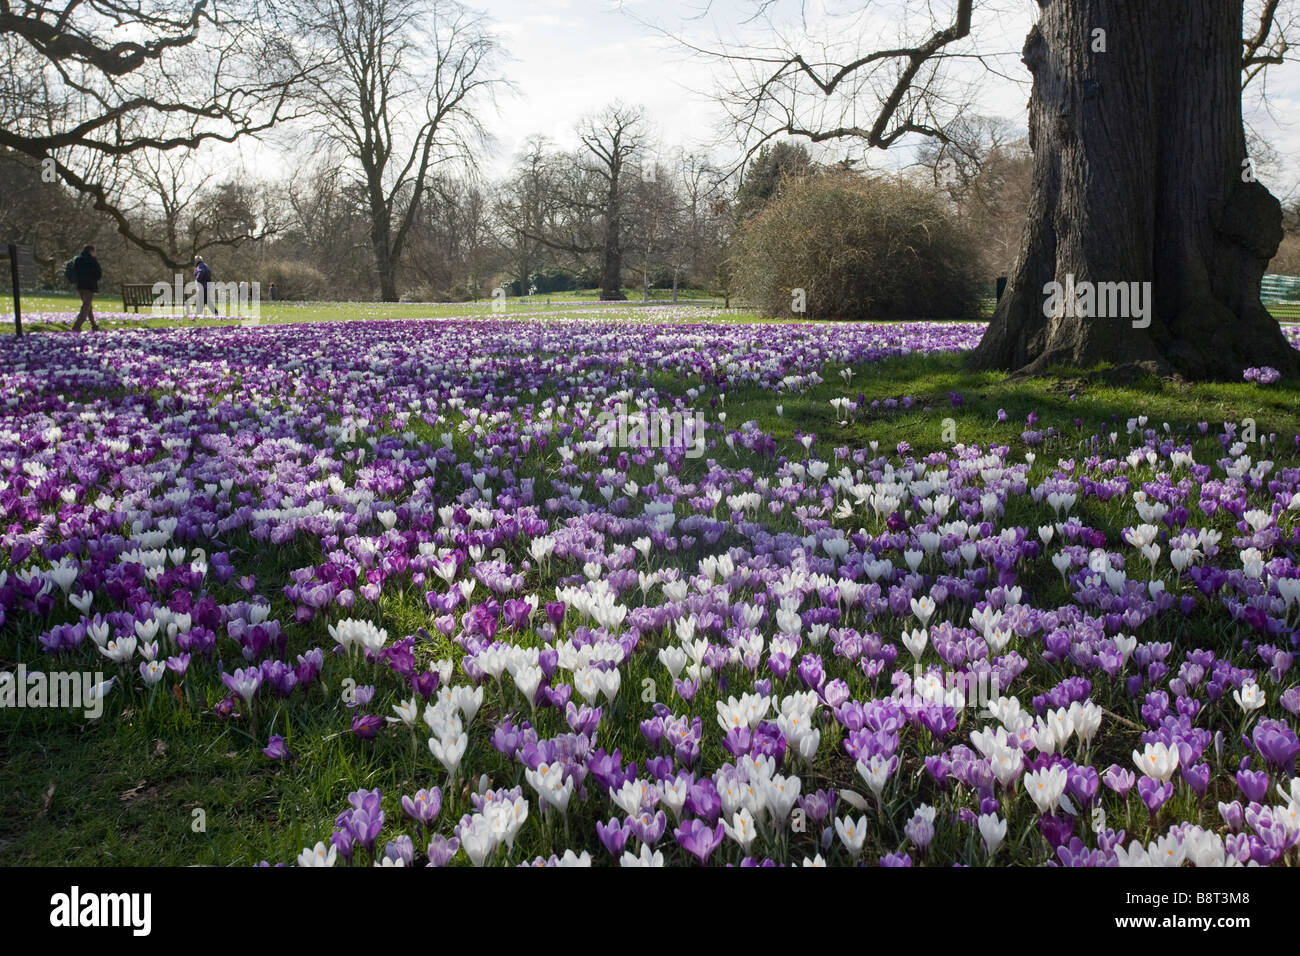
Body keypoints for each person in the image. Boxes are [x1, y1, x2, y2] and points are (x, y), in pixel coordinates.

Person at [71, 244, 102, 332]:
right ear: (91, 251)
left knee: (88, 306)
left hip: (80, 285)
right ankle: (77, 326)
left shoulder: (78, 259)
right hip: (89, 286)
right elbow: (98, 274)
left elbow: (74, 272)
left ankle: (94, 325)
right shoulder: (92, 260)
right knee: (86, 306)